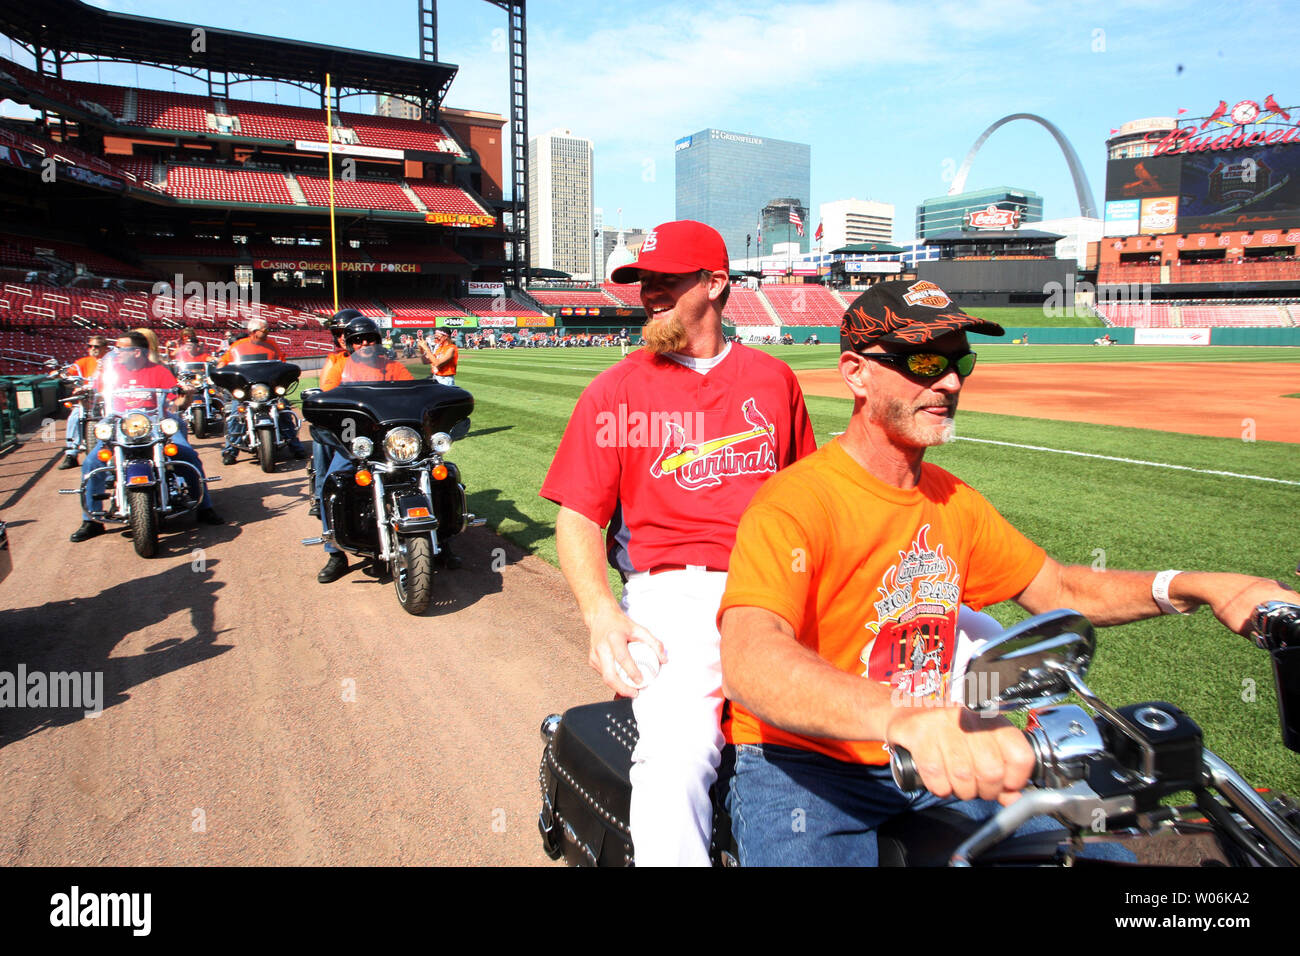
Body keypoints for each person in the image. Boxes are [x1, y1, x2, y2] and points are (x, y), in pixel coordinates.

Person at [715, 279, 1299, 866]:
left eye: (959, 361)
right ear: (856, 373)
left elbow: (1062, 588)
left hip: (935, 753)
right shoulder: (794, 503)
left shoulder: (953, 502)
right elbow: (751, 657)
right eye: (922, 360)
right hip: (808, 769)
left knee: (1097, 861)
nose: (949, 382)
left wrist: (1193, 584)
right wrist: (900, 718)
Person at [540, 220, 817, 866]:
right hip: (672, 596)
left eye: (667, 281)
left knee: (831, 740)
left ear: (717, 283)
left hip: (770, 591)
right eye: (644, 283)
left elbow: (809, 507)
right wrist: (601, 614)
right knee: (677, 761)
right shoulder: (617, 390)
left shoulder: (774, 382)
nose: (650, 295)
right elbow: (579, 518)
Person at [316, 316, 459, 584]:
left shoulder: (393, 365)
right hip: (359, 442)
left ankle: (444, 539)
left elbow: (417, 391)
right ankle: (334, 552)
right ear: (349, 343)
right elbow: (327, 396)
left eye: (370, 338)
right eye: (358, 340)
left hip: (395, 441)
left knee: (438, 475)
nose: (365, 343)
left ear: (379, 341)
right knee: (331, 484)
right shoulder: (340, 365)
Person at [70, 332, 223, 542]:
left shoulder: (158, 371)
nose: (116, 353)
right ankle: (91, 521)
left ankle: (205, 507)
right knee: (92, 463)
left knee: (187, 455)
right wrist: (84, 395)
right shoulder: (111, 373)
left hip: (154, 421)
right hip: (119, 423)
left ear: (136, 352)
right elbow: (94, 398)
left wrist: (185, 396)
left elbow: (174, 403)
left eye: (120, 349)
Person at [218, 317, 306, 463]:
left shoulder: (272, 345)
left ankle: (295, 446)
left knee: (284, 411)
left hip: (268, 388)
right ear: (253, 331)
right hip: (246, 391)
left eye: (267, 329)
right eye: (264, 330)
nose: (267, 332)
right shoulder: (238, 346)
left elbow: (281, 363)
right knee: (235, 416)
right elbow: (223, 362)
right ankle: (230, 451)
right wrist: (221, 370)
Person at [308, 310, 358, 518]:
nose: (343, 338)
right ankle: (321, 495)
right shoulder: (335, 361)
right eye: (339, 334)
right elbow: (328, 395)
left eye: (346, 333)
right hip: (348, 423)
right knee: (321, 438)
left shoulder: (384, 360)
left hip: (377, 423)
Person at [53, 335, 108, 469]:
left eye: (96, 346)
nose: (92, 349)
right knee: (74, 417)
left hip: (107, 399)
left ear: (105, 348)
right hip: (87, 399)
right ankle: (71, 454)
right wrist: (60, 373)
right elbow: (69, 373)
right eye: (90, 346)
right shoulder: (83, 361)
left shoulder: (112, 361)